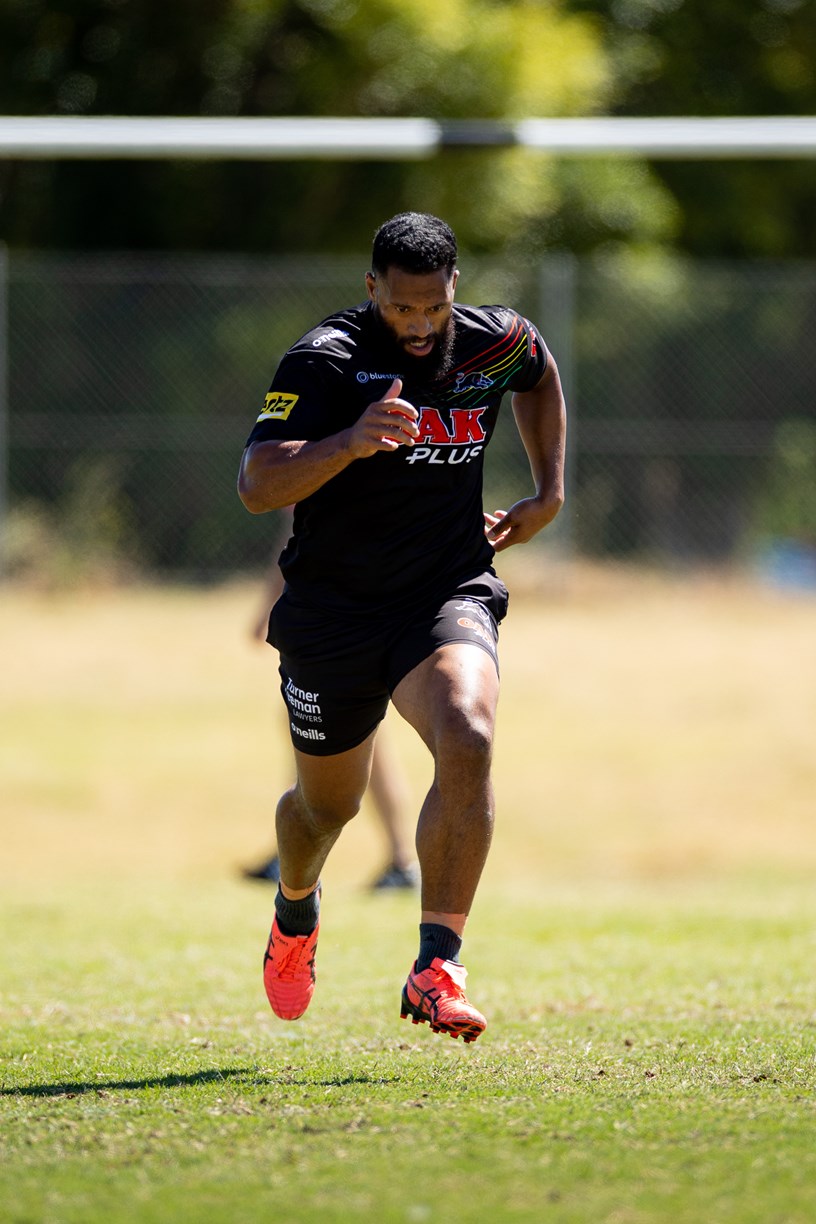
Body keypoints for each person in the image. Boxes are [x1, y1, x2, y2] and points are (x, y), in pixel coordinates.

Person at [237, 212, 566, 1043]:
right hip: (335, 610)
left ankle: (436, 965)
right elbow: (257, 481)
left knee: (469, 728)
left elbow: (538, 372)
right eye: (401, 309)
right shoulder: (326, 359)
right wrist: (350, 441)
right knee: (323, 811)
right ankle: (295, 911)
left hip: (443, 589)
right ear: (372, 287)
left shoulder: (492, 341)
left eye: (433, 308)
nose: (419, 327)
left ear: (453, 287)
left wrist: (549, 491)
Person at [242, 523, 418, 891]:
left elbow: (297, 530)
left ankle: (400, 859)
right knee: (316, 724)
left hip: (343, 610)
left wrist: (267, 608)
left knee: (344, 730)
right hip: (363, 602)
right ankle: (290, 851)